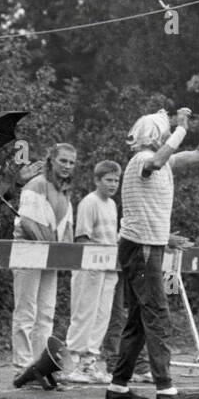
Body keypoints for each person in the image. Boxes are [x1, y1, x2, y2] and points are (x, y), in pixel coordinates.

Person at [105, 100, 199, 399]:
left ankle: (118, 385)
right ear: (157, 135)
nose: (170, 135)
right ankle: (165, 388)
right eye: (167, 131)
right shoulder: (144, 158)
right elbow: (155, 163)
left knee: (139, 320)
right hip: (141, 248)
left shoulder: (161, 160)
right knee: (156, 311)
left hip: (144, 245)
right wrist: (182, 128)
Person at [11, 143, 77, 375]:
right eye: (63, 161)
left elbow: (67, 228)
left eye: (71, 162)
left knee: (46, 312)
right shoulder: (36, 184)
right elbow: (28, 222)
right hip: (29, 252)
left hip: (51, 257)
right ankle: (22, 365)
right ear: (52, 161)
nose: (67, 166)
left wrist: (63, 254)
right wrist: (54, 248)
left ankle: (42, 365)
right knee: (26, 311)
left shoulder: (65, 190)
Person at [63, 160, 122, 384]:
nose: (113, 184)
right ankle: (73, 363)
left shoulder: (112, 204)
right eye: (108, 180)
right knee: (84, 312)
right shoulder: (90, 202)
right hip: (89, 266)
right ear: (97, 180)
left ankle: (89, 363)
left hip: (109, 266)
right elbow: (82, 236)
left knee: (102, 315)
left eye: (116, 180)